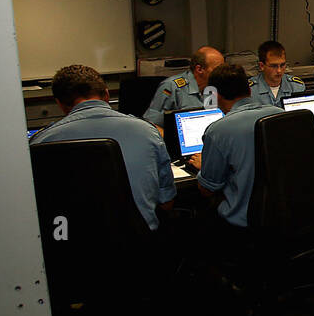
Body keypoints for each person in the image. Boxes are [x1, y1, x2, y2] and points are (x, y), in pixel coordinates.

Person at [31, 64, 175, 231]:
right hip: (138, 245)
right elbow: (167, 202)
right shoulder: (148, 131)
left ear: (60, 104)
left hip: (72, 246)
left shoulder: (40, 143)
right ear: (106, 94)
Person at [189, 64, 283, 229]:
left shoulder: (218, 131)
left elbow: (207, 190)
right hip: (288, 216)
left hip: (247, 223)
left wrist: (202, 166)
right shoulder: (282, 115)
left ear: (215, 95)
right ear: (249, 89)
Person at [142, 45, 225, 133]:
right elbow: (151, 125)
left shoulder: (214, 87)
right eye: (218, 69)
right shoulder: (172, 87)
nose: (222, 72)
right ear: (199, 69)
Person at [247, 40, 306, 107]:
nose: (279, 70)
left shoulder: (296, 86)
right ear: (262, 66)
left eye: (282, 65)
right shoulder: (249, 90)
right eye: (273, 66)